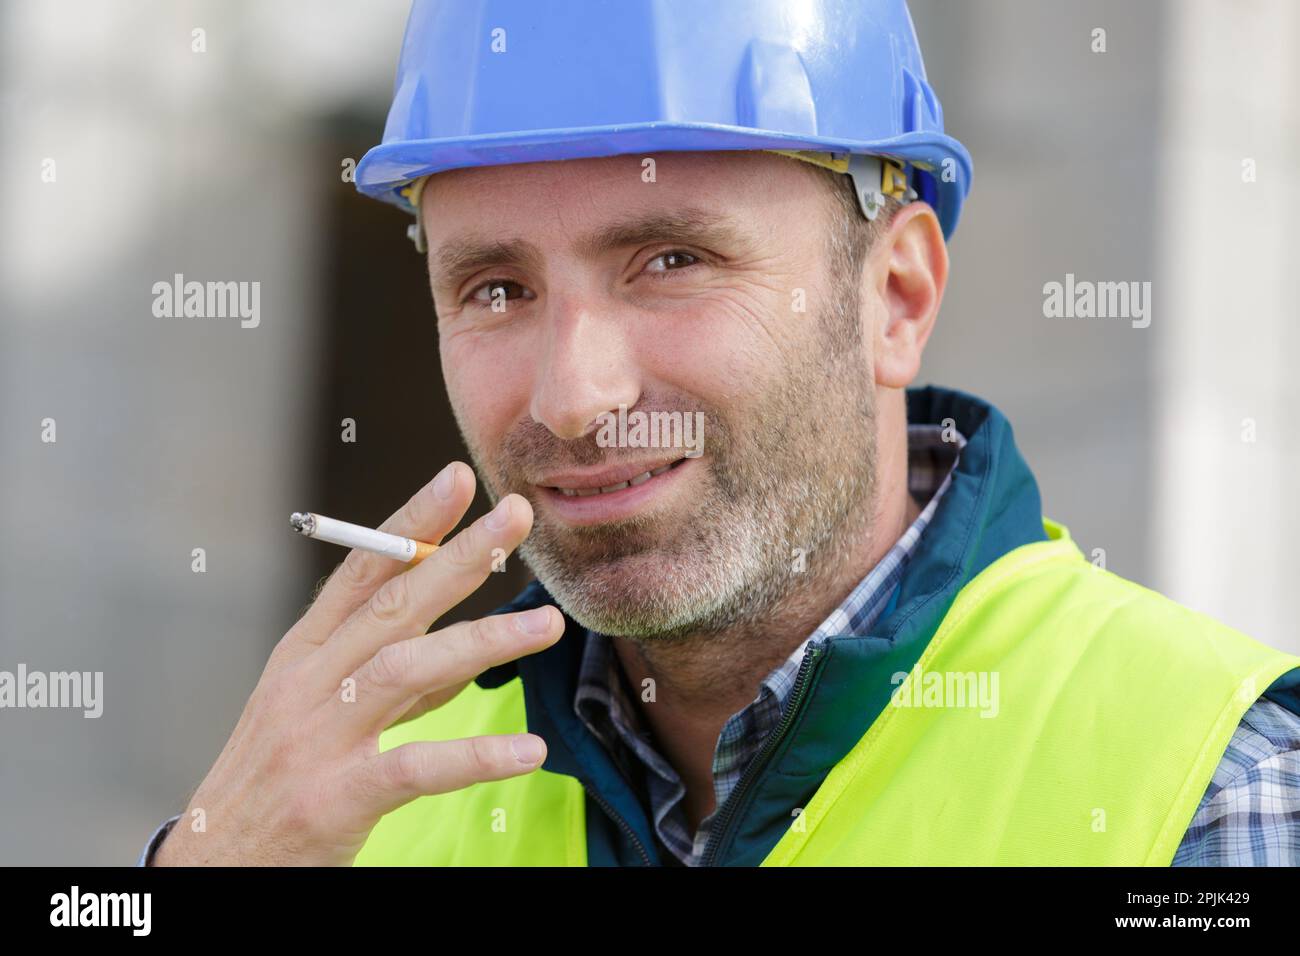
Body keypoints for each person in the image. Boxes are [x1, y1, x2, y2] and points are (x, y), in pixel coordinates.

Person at [142, 0, 1300, 866]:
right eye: (496, 288)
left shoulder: (1218, 797)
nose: (571, 398)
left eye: (671, 260)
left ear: (892, 296)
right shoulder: (355, 805)